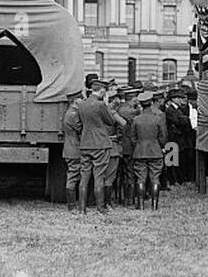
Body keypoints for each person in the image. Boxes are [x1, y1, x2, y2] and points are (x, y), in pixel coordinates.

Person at [68, 79, 127, 216]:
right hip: (100, 144)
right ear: (101, 91)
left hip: (85, 143)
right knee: (99, 176)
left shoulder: (81, 104)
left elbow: (79, 123)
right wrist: (106, 105)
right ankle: (101, 208)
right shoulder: (100, 104)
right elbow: (110, 121)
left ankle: (82, 208)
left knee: (84, 177)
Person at [130, 90, 169, 209]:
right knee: (155, 178)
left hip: (140, 152)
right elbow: (163, 136)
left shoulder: (136, 119)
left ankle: (141, 205)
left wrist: (139, 145)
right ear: (151, 102)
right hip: (155, 151)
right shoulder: (158, 118)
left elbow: (132, 138)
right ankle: (154, 205)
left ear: (141, 104)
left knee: (140, 178)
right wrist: (160, 146)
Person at [62, 85, 85, 212]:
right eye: (81, 99)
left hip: (70, 149)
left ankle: (73, 205)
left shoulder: (70, 113)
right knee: (73, 176)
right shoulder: (73, 114)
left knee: (74, 176)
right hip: (74, 150)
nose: (83, 100)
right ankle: (72, 206)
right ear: (75, 100)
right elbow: (81, 129)